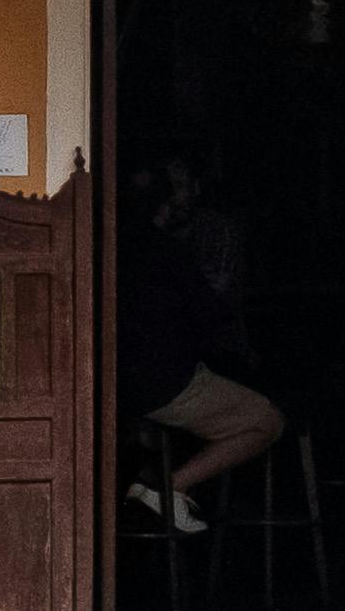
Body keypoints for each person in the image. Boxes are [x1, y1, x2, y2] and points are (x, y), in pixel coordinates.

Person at [117, 165, 282, 535]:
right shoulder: (166, 250)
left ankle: (151, 478)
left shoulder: (114, 244)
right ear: (166, 203)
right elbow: (212, 315)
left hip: (118, 385)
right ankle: (171, 486)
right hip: (165, 382)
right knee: (267, 420)